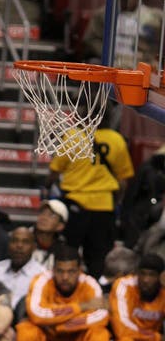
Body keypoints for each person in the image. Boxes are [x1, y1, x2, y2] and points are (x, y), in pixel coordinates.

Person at [48, 119, 135, 278]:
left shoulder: (72, 136)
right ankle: (95, 290)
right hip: (103, 205)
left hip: (74, 203)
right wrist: (116, 202)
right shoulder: (116, 139)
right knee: (98, 258)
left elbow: (55, 170)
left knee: (68, 252)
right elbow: (123, 180)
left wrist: (48, 188)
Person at [109, 253, 165, 341]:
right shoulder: (123, 285)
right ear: (136, 273)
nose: (146, 279)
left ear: (160, 277)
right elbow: (121, 330)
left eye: (151, 275)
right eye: (142, 274)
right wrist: (155, 337)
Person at [0, 226, 44, 313]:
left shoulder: (42, 276)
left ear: (34, 247)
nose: (19, 245)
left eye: (25, 242)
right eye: (14, 241)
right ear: (8, 244)